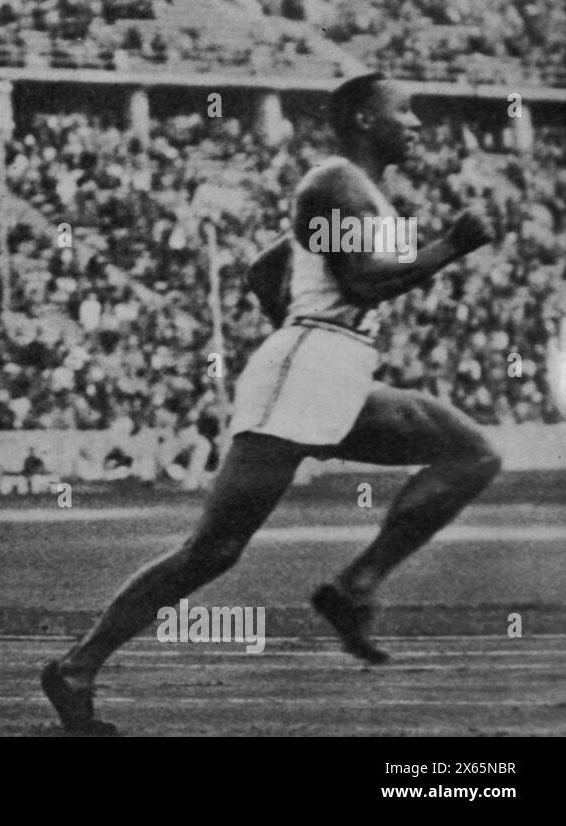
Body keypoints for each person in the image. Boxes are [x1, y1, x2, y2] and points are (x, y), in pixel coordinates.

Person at [42, 73, 501, 735]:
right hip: (312, 363)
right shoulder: (335, 183)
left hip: (334, 363)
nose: (419, 123)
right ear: (366, 121)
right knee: (215, 548)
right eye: (405, 111)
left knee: (472, 453)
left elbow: (265, 271)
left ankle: (354, 587)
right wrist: (452, 245)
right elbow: (366, 282)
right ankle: (76, 668)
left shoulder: (362, 195)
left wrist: (305, 326)